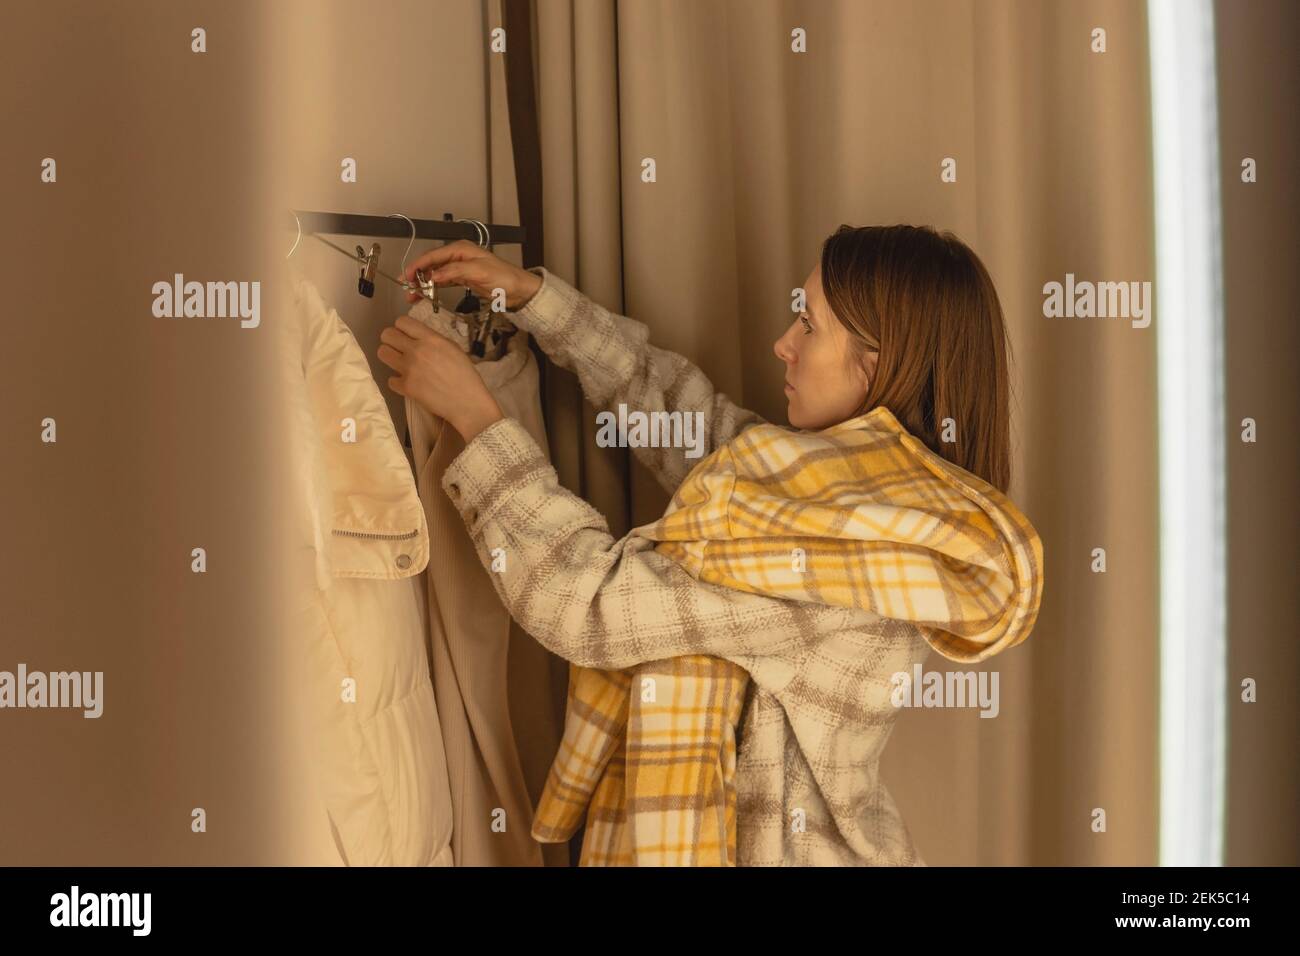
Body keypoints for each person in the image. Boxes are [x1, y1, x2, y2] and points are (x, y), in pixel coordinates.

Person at [376, 224, 1045, 866]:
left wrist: (479, 419)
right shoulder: (851, 494)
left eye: (809, 324)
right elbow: (684, 421)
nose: (783, 344)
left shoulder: (845, 541)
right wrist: (534, 299)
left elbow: (586, 605)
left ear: (874, 363)